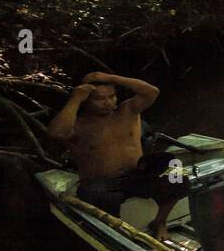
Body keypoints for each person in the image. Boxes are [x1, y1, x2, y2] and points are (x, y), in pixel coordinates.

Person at [46, 72, 187, 241]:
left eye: (112, 96)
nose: (108, 103)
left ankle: (159, 222)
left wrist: (111, 78)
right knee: (95, 193)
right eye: (99, 99)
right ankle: (114, 235)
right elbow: (55, 133)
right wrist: (76, 98)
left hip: (135, 176)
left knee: (176, 173)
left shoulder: (128, 110)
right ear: (86, 101)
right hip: (102, 184)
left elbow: (152, 92)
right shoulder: (78, 124)